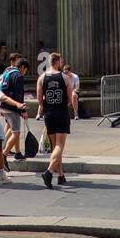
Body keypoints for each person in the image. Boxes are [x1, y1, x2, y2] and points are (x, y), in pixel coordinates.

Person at [37, 52, 76, 187]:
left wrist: (47, 106)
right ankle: (48, 172)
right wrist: (65, 104)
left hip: (49, 114)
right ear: (58, 62)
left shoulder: (41, 78)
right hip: (61, 112)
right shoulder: (65, 78)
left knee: (54, 146)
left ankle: (60, 175)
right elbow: (70, 100)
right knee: (60, 145)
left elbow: (40, 101)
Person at [0, 55, 29, 160]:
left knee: (12, 130)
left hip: (4, 105)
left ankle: (16, 152)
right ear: (23, 67)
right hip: (12, 107)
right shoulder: (18, 76)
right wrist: (23, 110)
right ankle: (4, 155)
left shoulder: (7, 73)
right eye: (26, 70)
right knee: (16, 133)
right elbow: (19, 95)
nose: (25, 72)